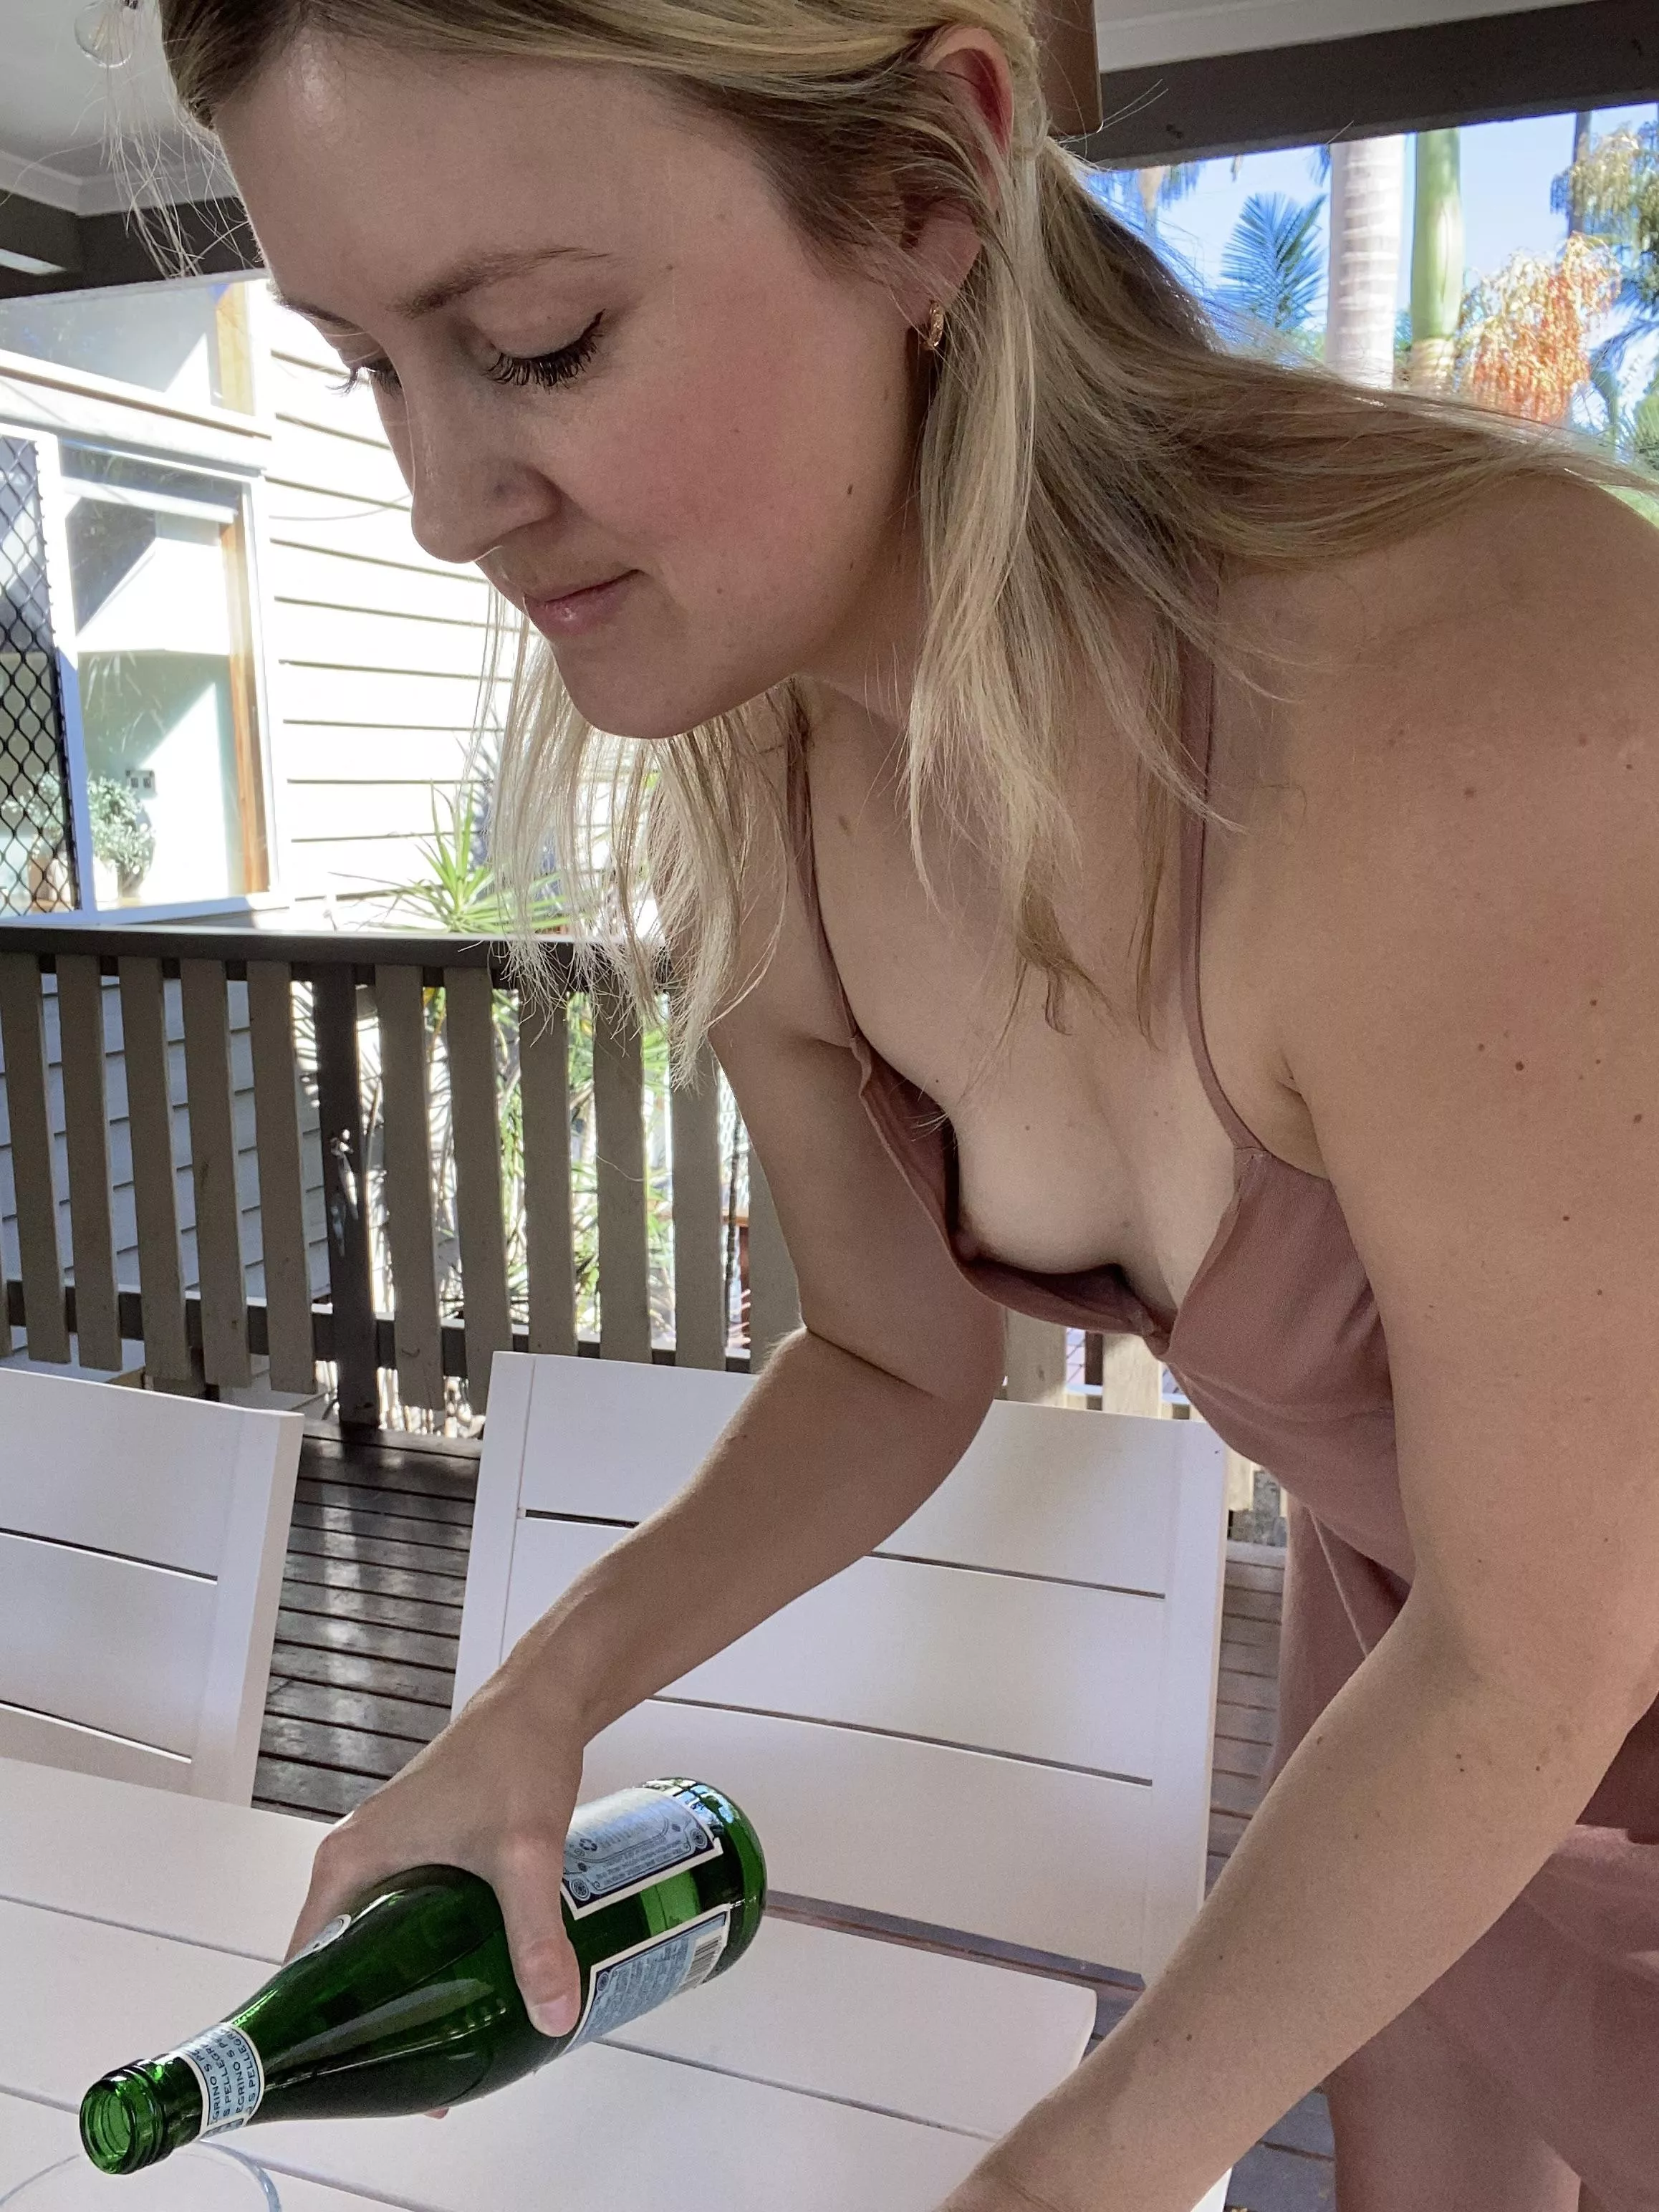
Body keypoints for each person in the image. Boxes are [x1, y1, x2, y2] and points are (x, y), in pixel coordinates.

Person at [158, 1, 1659, 2203]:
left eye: (541, 345)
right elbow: (888, 1351)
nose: (437, 508)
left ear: (927, 194)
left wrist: (1091, 2149)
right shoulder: (772, 752)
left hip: (1529, 1632)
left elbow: (1547, 1633)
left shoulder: (1483, 684)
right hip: (1439, 1641)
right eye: (367, 365)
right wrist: (534, 1707)